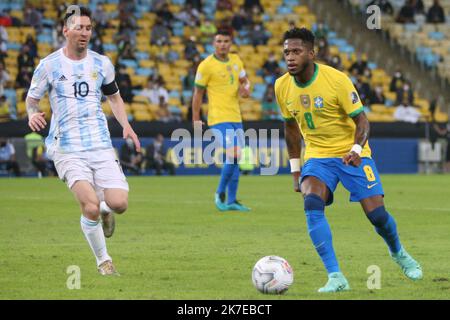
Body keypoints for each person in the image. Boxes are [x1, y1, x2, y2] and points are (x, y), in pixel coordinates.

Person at [275, 27, 422, 293]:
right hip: (318, 156)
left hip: (351, 154)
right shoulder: (281, 85)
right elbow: (290, 129)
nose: (290, 57)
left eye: (296, 51)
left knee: (377, 216)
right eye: (286, 52)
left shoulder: (336, 80)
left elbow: (362, 120)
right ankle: (335, 276)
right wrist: (295, 171)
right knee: (312, 203)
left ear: (311, 53)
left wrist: (356, 148)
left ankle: (398, 252)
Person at [26, 7, 141, 276]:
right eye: (79, 28)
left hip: (99, 143)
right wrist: (32, 115)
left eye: (88, 28)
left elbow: (114, 97)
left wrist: (127, 126)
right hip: (66, 147)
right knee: (88, 206)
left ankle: (105, 210)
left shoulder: (102, 63)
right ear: (65, 31)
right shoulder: (48, 65)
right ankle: (104, 262)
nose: (85, 33)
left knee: (119, 203)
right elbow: (32, 101)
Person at [192, 30, 252, 212]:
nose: (223, 44)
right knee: (234, 154)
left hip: (236, 117)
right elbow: (197, 94)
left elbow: (245, 81)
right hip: (218, 118)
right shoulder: (206, 66)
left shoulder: (236, 60)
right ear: (213, 43)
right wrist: (196, 119)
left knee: (236, 157)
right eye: (219, 41)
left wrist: (246, 88)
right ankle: (219, 194)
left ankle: (232, 200)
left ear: (231, 43)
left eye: (226, 41)